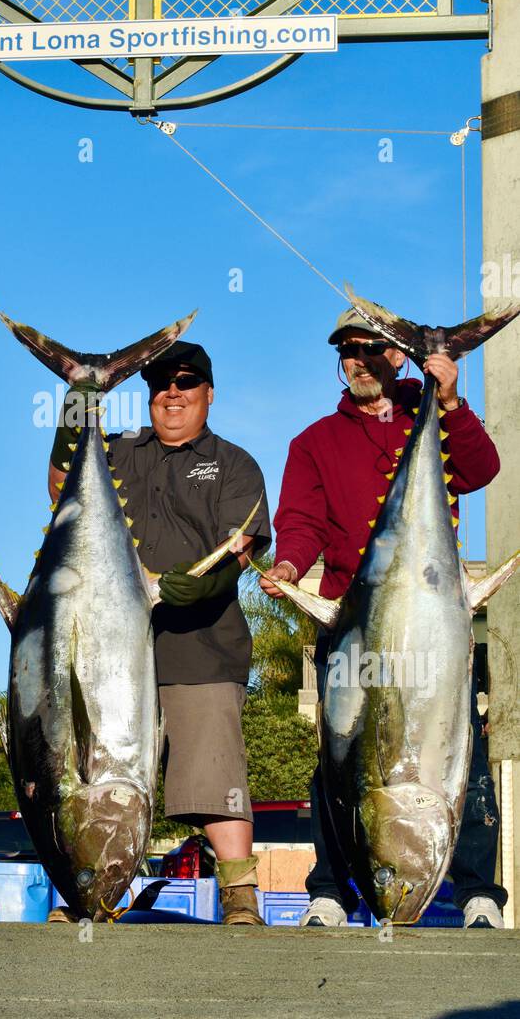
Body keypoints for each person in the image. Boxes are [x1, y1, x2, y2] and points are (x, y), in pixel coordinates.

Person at [261, 308, 507, 929]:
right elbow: (301, 524)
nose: (358, 360)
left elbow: (482, 471)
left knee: (460, 752)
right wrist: (289, 566)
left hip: (434, 629)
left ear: (398, 356)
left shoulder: (431, 416)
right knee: (338, 756)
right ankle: (331, 891)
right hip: (352, 632)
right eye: (346, 351)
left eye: (371, 348)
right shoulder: (314, 441)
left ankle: (479, 892)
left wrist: (447, 400)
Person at [48, 341, 271, 924]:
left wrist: (204, 585)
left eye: (187, 382)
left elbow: (240, 546)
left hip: (199, 644)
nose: (173, 393)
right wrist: (79, 399)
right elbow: (59, 490)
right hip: (110, 653)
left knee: (214, 767)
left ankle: (240, 894)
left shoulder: (235, 463)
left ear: (208, 393)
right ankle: (91, 890)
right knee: (101, 768)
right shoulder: (117, 451)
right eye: (161, 385)